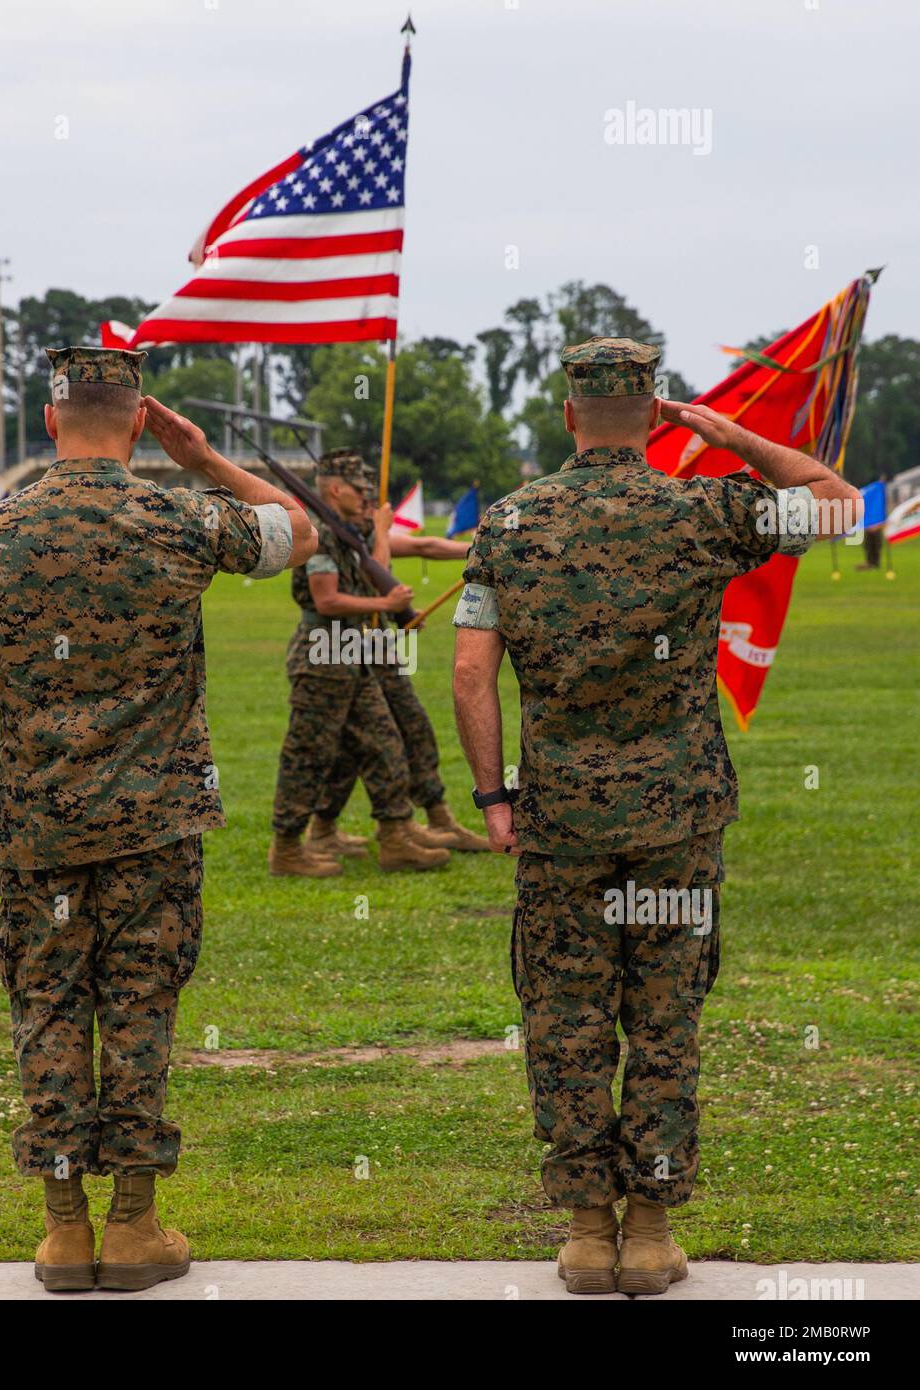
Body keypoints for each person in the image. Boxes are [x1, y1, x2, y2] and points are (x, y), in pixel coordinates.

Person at [451, 337, 861, 1295]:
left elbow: (472, 672)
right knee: (666, 1018)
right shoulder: (703, 508)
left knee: (566, 1018)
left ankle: (589, 1235)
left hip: (557, 823)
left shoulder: (510, 523)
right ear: (655, 415)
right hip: (676, 820)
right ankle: (650, 1231)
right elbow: (842, 503)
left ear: (567, 417)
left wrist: (492, 798)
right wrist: (730, 435)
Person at [0, 346, 315, 1292]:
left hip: (38, 825)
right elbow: (300, 531)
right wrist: (205, 458)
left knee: (48, 1007)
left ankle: (63, 1230)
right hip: (157, 820)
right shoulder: (179, 516)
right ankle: (134, 1225)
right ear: (139, 422)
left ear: (50, 422)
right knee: (141, 1002)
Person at [270, 449, 449, 876]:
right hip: (323, 655)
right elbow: (325, 599)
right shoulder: (319, 534)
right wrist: (385, 602)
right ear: (336, 489)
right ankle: (287, 850)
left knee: (385, 744)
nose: (367, 495)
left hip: (354, 652)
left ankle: (395, 839)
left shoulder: (347, 531)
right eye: (360, 488)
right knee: (308, 753)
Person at [310, 498, 490, 855]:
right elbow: (373, 579)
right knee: (363, 744)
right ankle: (336, 827)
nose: (368, 508)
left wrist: (484, 547)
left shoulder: (363, 537)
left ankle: (434, 819)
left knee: (411, 729)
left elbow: (427, 545)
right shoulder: (340, 543)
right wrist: (379, 531)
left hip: (380, 652)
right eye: (360, 501)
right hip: (350, 652)